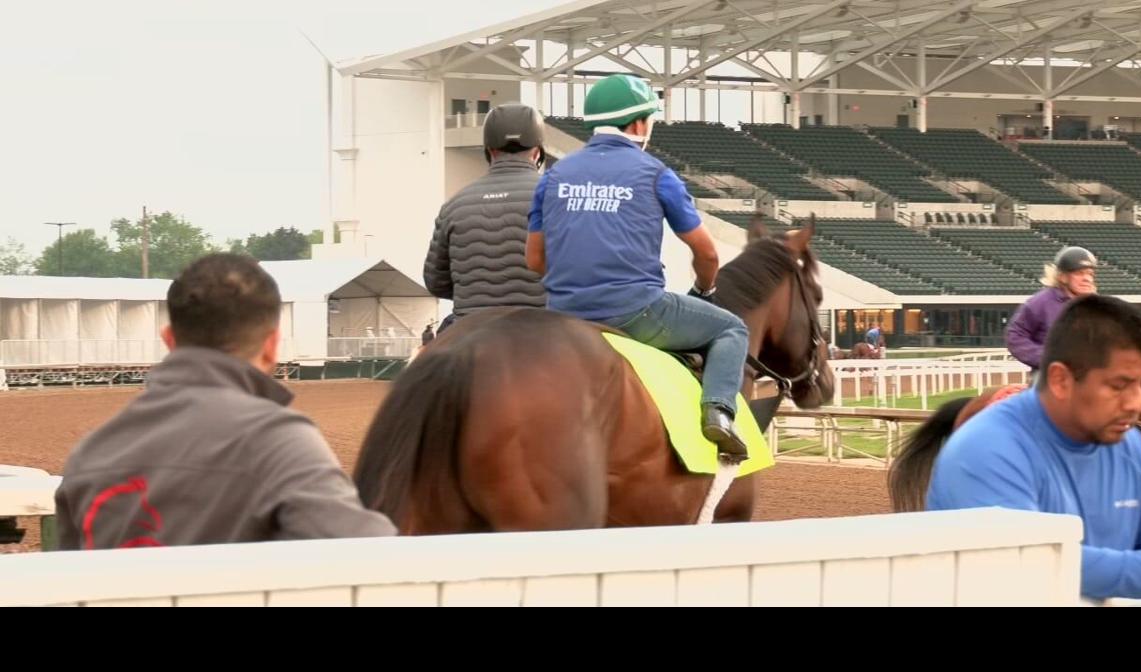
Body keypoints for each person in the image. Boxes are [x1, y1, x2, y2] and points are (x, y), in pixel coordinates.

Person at [55, 254, 396, 549]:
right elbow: (365, 554)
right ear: (272, 344)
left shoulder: (90, 452)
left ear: (169, 340)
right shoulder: (277, 439)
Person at [525, 74, 750, 459]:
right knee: (732, 327)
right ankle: (718, 411)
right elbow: (707, 254)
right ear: (638, 123)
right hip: (636, 311)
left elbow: (535, 261)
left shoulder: (555, 176)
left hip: (563, 318)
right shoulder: (656, 173)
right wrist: (705, 289)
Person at [927, 294, 1141, 600]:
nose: (1136, 404)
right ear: (1060, 380)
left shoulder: (1131, 446)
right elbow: (1033, 564)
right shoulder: (985, 450)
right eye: (1118, 385)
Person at [424, 103, 547, 335]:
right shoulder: (557, 197)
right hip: (542, 327)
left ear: (489, 150)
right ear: (537, 151)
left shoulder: (454, 204)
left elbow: (435, 282)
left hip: (470, 329)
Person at [1007, 246, 1098, 376]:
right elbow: (1015, 335)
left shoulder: (1097, 306)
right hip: (1050, 374)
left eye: (1090, 274)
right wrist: (1046, 358)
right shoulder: (1040, 302)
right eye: (1080, 273)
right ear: (1063, 277)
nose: (1087, 279)